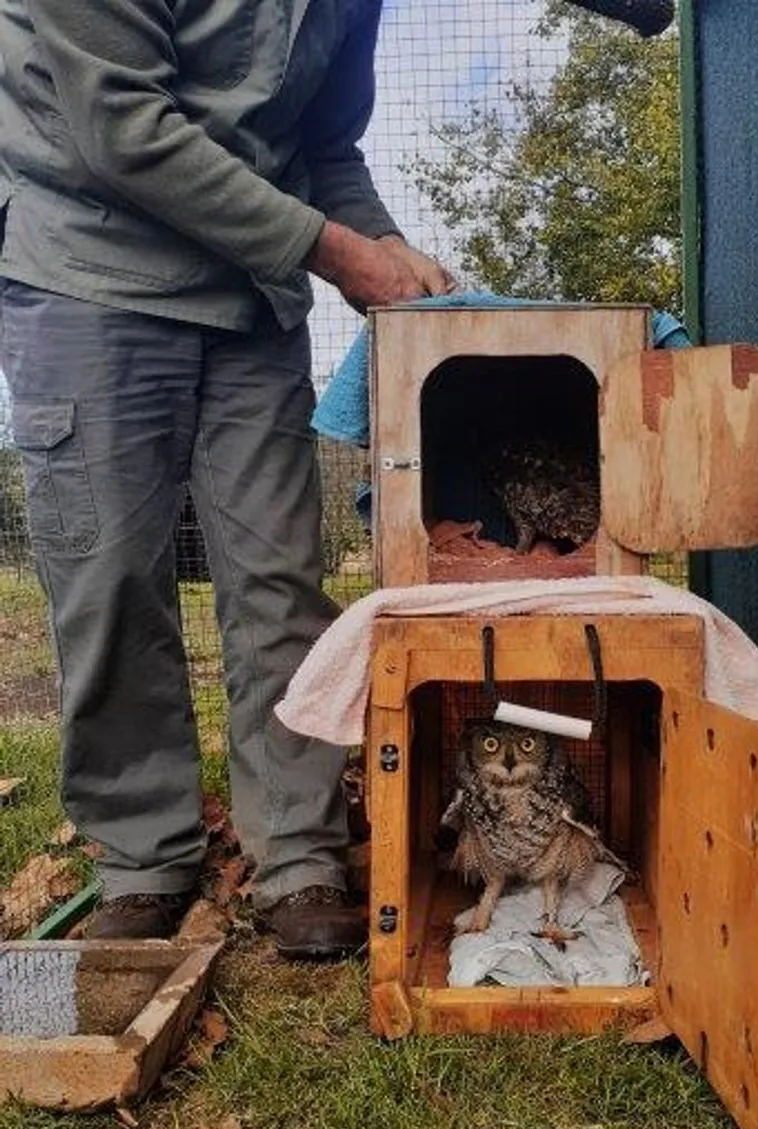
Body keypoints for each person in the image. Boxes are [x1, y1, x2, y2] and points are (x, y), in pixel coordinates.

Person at [0, 0, 454, 956]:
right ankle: (143, 857)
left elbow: (326, 148)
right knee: (111, 575)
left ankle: (296, 852)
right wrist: (338, 254)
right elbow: (121, 127)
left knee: (280, 575)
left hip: (251, 294)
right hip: (91, 269)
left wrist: (387, 246)